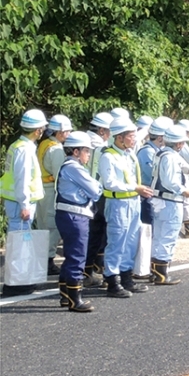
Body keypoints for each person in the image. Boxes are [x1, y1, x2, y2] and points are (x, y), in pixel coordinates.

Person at [98, 118, 154, 298]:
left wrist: (138, 190)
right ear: (120, 137)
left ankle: (126, 276)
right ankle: (112, 280)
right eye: (131, 136)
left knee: (130, 241)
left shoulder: (129, 154)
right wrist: (135, 188)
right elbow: (110, 183)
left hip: (133, 201)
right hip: (118, 204)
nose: (134, 139)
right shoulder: (108, 156)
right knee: (117, 241)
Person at [1, 109, 48, 297]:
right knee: (19, 243)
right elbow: (22, 179)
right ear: (37, 131)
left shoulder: (18, 145)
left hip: (17, 201)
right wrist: (25, 205)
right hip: (20, 203)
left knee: (19, 241)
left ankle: (19, 280)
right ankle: (15, 283)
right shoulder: (25, 150)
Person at [54, 131, 102, 312]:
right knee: (77, 255)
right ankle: (75, 299)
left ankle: (66, 296)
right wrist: (93, 188)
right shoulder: (74, 168)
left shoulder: (70, 167)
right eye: (86, 151)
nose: (88, 154)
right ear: (76, 151)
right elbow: (96, 190)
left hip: (70, 214)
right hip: (75, 215)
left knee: (71, 255)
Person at [149, 124, 189, 285]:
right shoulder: (170, 157)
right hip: (170, 201)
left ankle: (155, 271)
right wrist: (183, 190)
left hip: (159, 200)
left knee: (158, 236)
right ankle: (162, 273)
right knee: (169, 235)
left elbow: (181, 164)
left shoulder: (162, 153)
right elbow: (169, 180)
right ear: (179, 143)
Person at [35, 114, 72, 276]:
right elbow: (60, 174)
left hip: (41, 189)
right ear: (60, 132)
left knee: (43, 225)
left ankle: (44, 259)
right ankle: (49, 260)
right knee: (52, 226)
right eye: (68, 131)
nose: (69, 134)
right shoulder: (56, 149)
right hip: (51, 189)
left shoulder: (43, 143)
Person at [83, 112, 114, 285]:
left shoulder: (86, 141)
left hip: (88, 193)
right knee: (96, 234)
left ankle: (89, 269)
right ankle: (88, 271)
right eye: (109, 131)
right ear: (102, 130)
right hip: (96, 194)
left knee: (94, 233)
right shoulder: (98, 147)